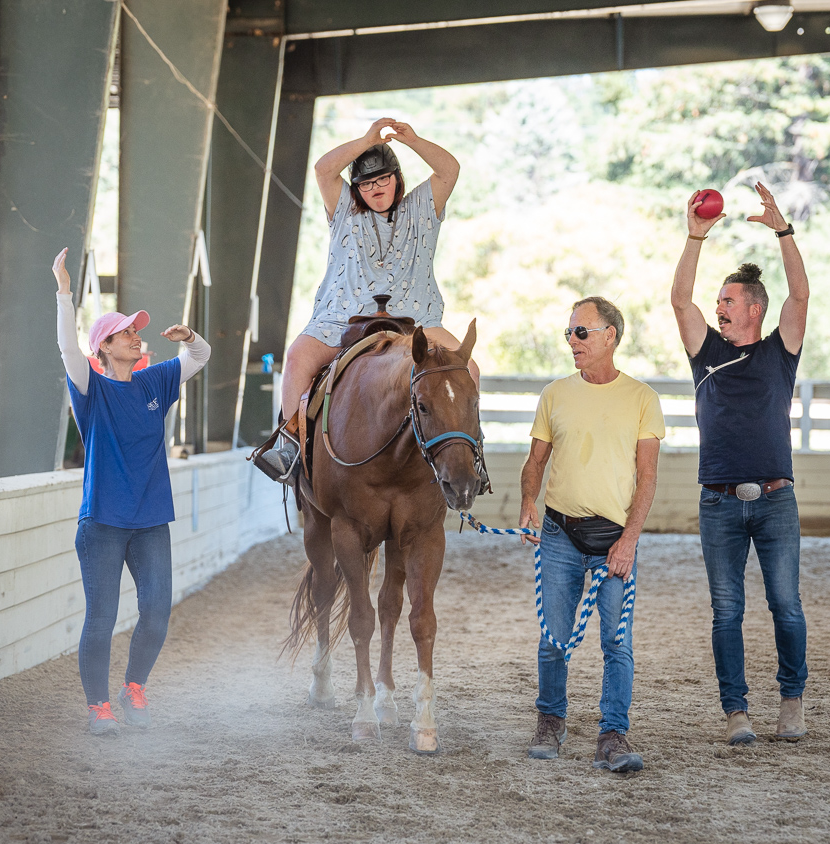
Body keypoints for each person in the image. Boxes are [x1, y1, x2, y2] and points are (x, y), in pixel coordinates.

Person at [258, 117, 477, 483]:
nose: (376, 187)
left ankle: (471, 450)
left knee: (469, 370)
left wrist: (413, 141)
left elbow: (449, 170)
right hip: (341, 320)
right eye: (366, 182)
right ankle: (290, 449)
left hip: (417, 322)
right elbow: (324, 170)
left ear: (397, 179)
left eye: (383, 179)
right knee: (296, 359)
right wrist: (365, 140)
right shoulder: (344, 208)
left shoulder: (423, 208)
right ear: (356, 188)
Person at [669, 183, 810, 745]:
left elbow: (800, 294)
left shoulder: (780, 351)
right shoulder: (706, 352)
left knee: (786, 605)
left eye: (728, 300)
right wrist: (694, 236)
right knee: (726, 611)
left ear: (754, 308)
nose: (718, 306)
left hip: (777, 500)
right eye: (719, 301)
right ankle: (737, 714)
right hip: (719, 503)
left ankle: (792, 703)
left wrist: (783, 230)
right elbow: (680, 299)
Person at [52, 247, 211, 735]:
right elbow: (66, 348)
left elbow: (200, 356)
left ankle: (133, 687)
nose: (137, 337)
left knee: (157, 613)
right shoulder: (90, 389)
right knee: (101, 618)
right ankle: (98, 706)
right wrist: (63, 290)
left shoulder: (156, 382)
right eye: (126, 333)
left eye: (137, 332)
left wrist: (189, 336)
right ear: (104, 345)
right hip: (101, 521)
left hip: (149, 520)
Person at [518, 297, 665, 773]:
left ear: (610, 337)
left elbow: (647, 478)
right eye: (569, 333)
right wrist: (527, 504)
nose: (573, 342)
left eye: (582, 333)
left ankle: (612, 735)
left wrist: (629, 542)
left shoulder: (642, 398)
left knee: (616, 643)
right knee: (553, 638)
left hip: (615, 540)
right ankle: (550, 721)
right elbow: (535, 462)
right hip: (560, 534)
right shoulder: (555, 394)